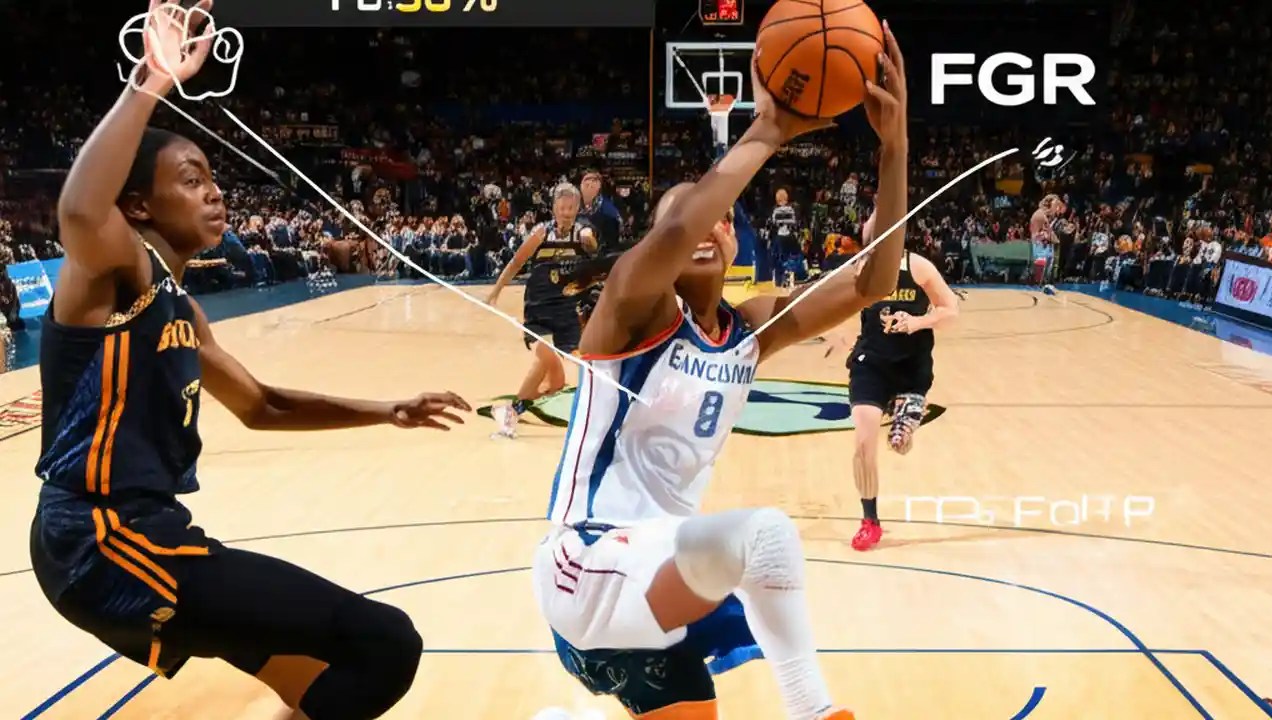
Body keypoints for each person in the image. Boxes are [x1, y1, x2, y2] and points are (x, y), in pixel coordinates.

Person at [28, 4, 471, 718]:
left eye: (213, 179)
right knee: (385, 641)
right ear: (138, 205)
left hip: (151, 533)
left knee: (353, 665)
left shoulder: (182, 308)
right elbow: (80, 209)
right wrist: (151, 81)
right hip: (98, 538)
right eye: (193, 179)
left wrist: (386, 411)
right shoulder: (114, 273)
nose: (216, 191)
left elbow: (262, 406)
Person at [533, 25, 909, 720]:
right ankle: (814, 711)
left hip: (657, 579)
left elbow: (874, 280)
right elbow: (675, 232)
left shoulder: (748, 328)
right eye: (684, 216)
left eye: (721, 218)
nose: (704, 228)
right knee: (764, 536)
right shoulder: (629, 310)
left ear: (736, 235)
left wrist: (894, 147)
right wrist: (766, 130)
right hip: (583, 562)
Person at [826, 220, 959, 552]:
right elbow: (826, 306)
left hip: (910, 365)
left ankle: (908, 416)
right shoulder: (858, 269)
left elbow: (951, 311)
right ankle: (870, 520)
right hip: (870, 362)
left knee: (899, 445)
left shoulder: (918, 266)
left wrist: (918, 321)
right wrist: (833, 334)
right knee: (863, 439)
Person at [486, 183, 597, 438]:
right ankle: (511, 413)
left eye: (571, 208)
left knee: (558, 382)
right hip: (539, 309)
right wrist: (495, 292)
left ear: (578, 208)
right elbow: (515, 263)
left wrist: (588, 240)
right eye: (562, 208)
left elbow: (592, 246)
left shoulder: (583, 231)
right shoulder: (540, 233)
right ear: (554, 208)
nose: (566, 213)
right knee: (547, 356)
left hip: (569, 311)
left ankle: (511, 411)